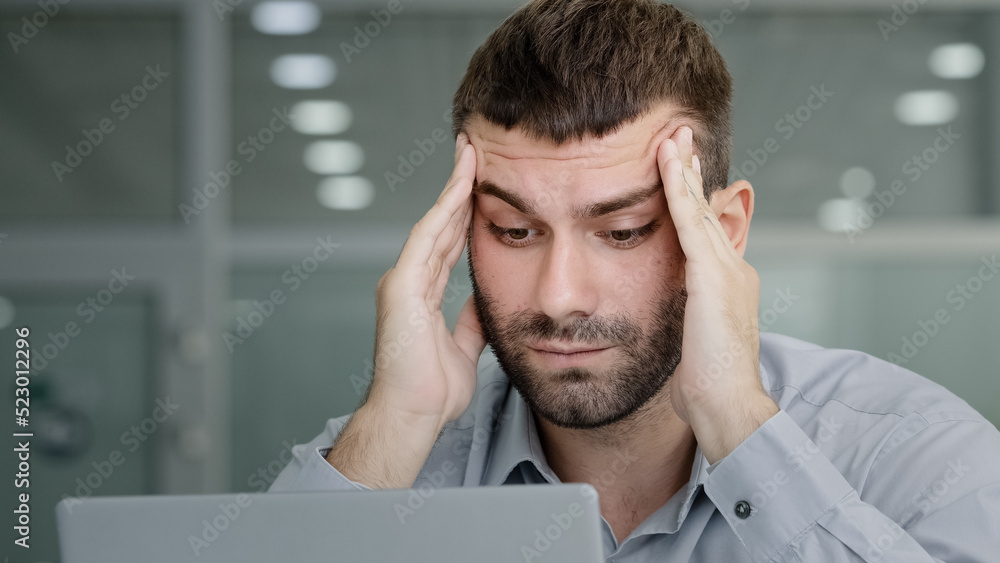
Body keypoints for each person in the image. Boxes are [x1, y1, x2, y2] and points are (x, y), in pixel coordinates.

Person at [270, 1, 1000, 560]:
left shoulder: (919, 456)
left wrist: (740, 425)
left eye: (622, 232)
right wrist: (397, 424)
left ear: (725, 233)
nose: (559, 297)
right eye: (513, 231)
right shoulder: (383, 459)